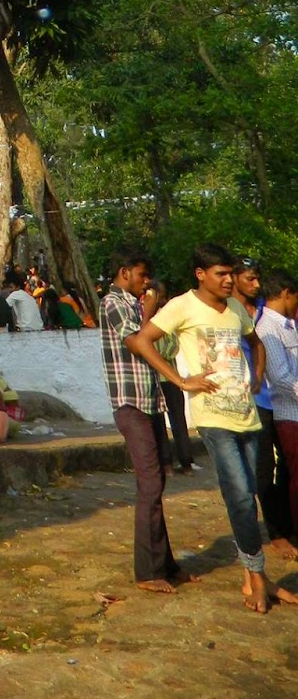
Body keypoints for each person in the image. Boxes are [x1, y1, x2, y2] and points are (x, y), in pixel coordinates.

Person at [130, 241, 298, 614]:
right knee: (239, 496)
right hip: (213, 417)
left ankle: (256, 576)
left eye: (230, 273)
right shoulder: (181, 306)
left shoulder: (237, 308)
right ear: (200, 274)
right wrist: (181, 379)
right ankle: (256, 576)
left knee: (250, 492)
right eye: (221, 274)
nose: (228, 280)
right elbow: (142, 341)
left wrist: (256, 377)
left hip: (247, 415)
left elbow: (256, 343)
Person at [100, 252, 187, 594]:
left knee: (157, 482)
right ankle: (148, 570)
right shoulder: (114, 302)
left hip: (150, 401)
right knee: (150, 484)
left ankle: (165, 565)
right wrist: (150, 308)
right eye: (142, 274)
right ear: (125, 272)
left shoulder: (132, 303)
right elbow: (138, 341)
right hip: (130, 402)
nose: (146, 281)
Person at [234, 257, 293, 556]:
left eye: (257, 278)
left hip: (277, 398)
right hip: (252, 398)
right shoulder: (229, 311)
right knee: (262, 468)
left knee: (286, 464)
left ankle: (284, 525)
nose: (255, 284)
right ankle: (274, 530)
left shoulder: (263, 309)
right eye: (250, 278)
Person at [256, 270, 298, 558]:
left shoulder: (288, 326)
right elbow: (280, 376)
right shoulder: (268, 328)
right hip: (288, 412)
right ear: (285, 293)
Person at [142, 279, 196, 476]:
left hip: (166, 377)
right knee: (164, 422)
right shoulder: (151, 320)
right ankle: (171, 463)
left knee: (173, 421)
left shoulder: (164, 319)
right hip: (161, 378)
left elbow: (168, 349)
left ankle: (181, 462)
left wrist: (151, 349)